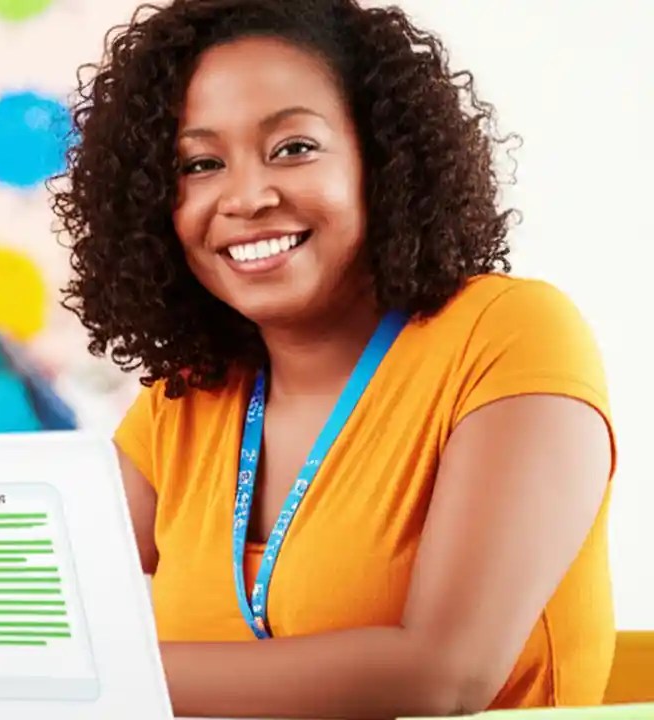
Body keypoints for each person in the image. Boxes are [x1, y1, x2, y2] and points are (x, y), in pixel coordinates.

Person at [48, 0, 617, 717]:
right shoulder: (182, 400)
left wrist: (97, 676)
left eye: (294, 148)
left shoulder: (508, 333)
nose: (247, 196)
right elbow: (54, 626)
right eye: (200, 164)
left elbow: (445, 673)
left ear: (382, 158)